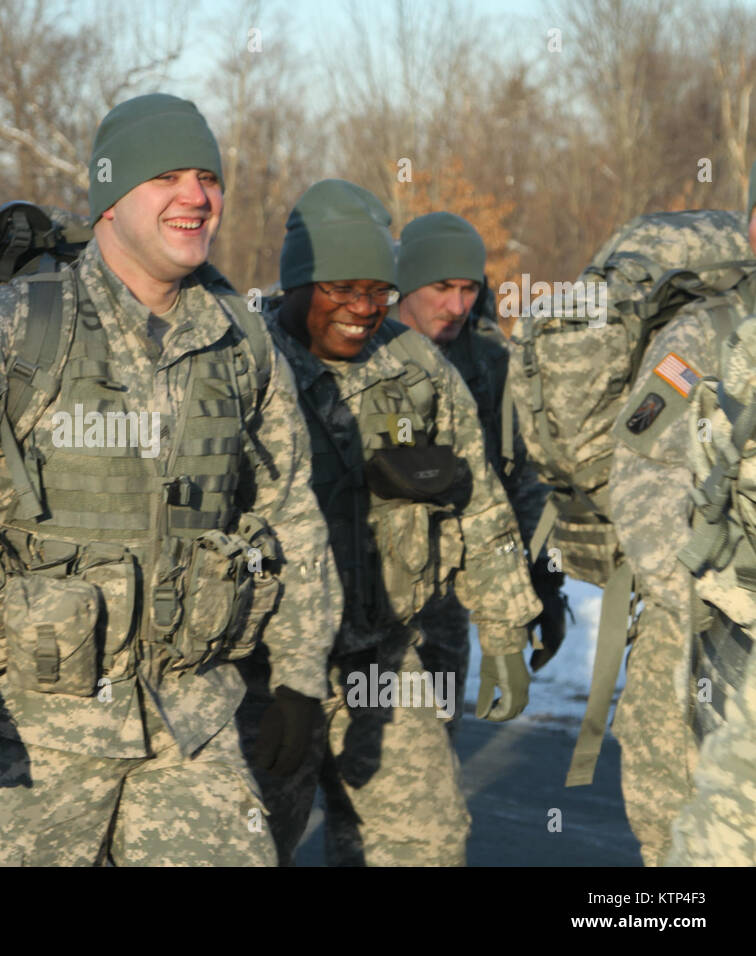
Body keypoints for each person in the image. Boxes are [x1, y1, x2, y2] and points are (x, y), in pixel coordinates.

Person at [0, 92, 341, 866]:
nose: (197, 197)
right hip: (31, 727)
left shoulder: (240, 340)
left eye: (208, 177)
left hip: (191, 725)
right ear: (111, 199)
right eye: (168, 178)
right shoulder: (16, 327)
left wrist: (298, 672)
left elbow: (290, 511)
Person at [248, 179, 541, 866]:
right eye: (341, 289)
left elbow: (479, 499)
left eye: (379, 291)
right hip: (257, 671)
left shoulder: (415, 366)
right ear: (298, 283)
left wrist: (503, 625)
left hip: (380, 655)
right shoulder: (243, 365)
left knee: (421, 841)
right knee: (246, 843)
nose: (362, 309)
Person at [605, 174, 756, 866]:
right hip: (696, 634)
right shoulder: (706, 336)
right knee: (682, 852)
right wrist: (700, 592)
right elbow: (639, 475)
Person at [393, 212, 561, 731]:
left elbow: (518, 481)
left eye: (469, 289)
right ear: (406, 283)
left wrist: (544, 584)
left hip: (446, 592)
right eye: (442, 287)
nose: (458, 305)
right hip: (363, 590)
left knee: (431, 761)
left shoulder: (487, 360)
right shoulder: (356, 347)